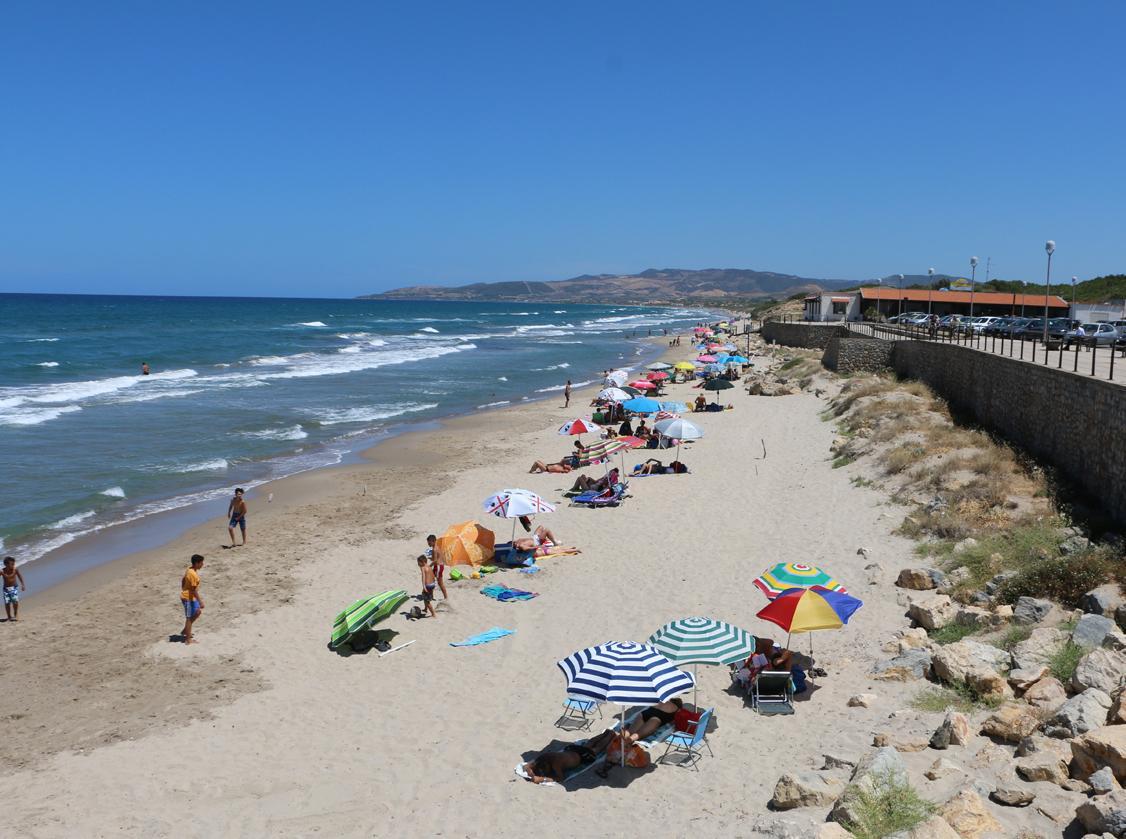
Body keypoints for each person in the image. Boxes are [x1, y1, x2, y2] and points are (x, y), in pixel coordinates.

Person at [522, 728, 617, 784]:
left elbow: (560, 778)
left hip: (581, 757)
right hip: (572, 749)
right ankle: (606, 732)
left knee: (596, 749)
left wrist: (542, 779)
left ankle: (610, 735)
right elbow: (526, 765)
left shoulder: (555, 764)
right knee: (589, 743)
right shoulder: (544, 757)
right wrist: (530, 771)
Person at [180, 554, 205, 644]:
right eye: (201, 563)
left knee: (198, 612)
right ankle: (188, 640)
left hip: (191, 597)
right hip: (188, 598)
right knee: (189, 618)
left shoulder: (190, 569)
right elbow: (194, 590)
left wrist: (183, 588)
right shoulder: (193, 574)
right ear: (196, 563)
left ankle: (185, 631)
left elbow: (183, 579)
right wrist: (200, 602)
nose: (203, 564)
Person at [3, 557, 26, 621]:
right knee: (7, 603)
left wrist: (23, 585)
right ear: (6, 564)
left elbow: (20, 576)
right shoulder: (2, 571)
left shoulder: (15, 569)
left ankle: (15, 614)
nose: (13, 565)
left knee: (15, 602)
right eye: (12, 564)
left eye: (14, 564)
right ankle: (9, 616)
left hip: (14, 588)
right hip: (6, 589)